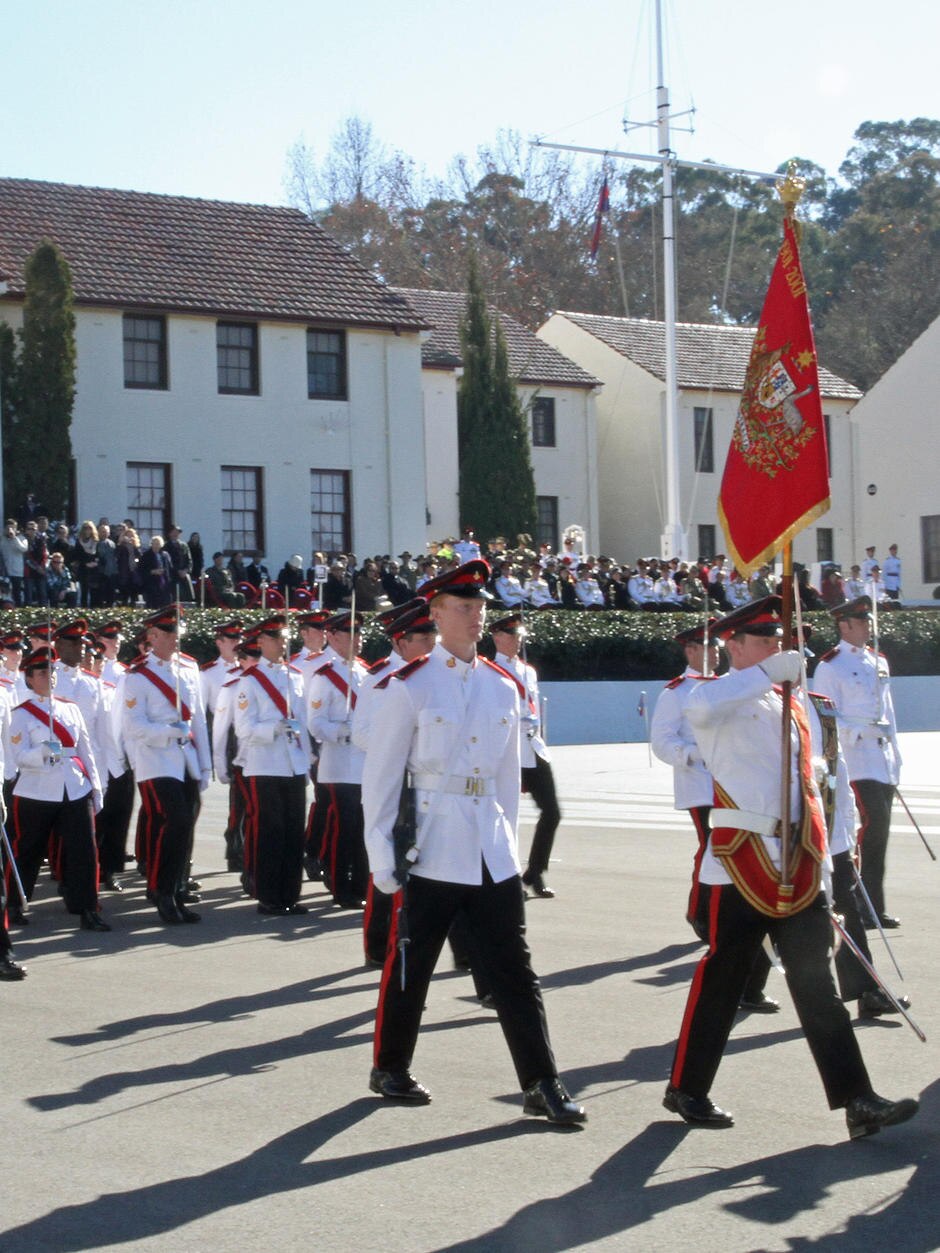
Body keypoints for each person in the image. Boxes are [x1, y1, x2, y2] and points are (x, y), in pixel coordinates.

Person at [663, 596, 918, 1140]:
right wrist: (764, 676)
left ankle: (856, 1098)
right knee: (723, 978)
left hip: (798, 859)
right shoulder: (714, 697)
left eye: (778, 640)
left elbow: (814, 782)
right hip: (740, 860)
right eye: (762, 640)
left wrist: (829, 857)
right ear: (733, 646)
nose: (776, 648)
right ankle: (687, 1086)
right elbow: (700, 713)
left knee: (815, 981)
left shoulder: (793, 704)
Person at [361, 560, 585, 1124]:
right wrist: (380, 854)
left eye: (479, 606)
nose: (475, 614)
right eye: (463, 607)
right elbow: (383, 778)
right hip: (432, 844)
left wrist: (508, 837)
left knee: (514, 969)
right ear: (434, 614)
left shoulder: (501, 684)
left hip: (489, 846)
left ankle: (541, 1082)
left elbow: (509, 776)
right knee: (412, 963)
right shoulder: (409, 686)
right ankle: (390, 1065)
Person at [650, 620, 776, 1011]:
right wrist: (690, 755)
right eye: (699, 648)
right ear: (688, 651)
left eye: (712, 647)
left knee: (731, 858)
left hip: (737, 787)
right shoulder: (678, 692)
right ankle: (703, 914)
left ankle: (719, 929)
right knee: (714, 850)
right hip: (701, 785)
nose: (708, 654)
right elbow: (662, 741)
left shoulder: (731, 687)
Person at [812, 596, 902, 928]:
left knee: (880, 834)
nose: (867, 627)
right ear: (844, 625)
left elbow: (888, 713)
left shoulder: (878, 661)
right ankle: (858, 902)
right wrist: (858, 731)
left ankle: (873, 907)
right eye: (861, 622)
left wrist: (896, 759)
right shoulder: (829, 666)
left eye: (868, 621)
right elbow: (826, 716)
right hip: (854, 760)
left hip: (881, 760)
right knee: (868, 828)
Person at [6, 645, 109, 932]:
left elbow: (86, 750)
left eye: (51, 671)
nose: (48, 677)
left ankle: (88, 907)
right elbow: (18, 756)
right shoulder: (21, 714)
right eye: (41, 672)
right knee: (28, 851)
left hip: (74, 788)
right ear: (29, 678)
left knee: (84, 851)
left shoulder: (70, 709)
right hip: (36, 791)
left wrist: (95, 788)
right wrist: (40, 751)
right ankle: (14, 903)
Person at [120, 607, 211, 924]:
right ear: (153, 636)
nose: (175, 638)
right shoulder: (137, 676)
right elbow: (134, 726)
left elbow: (197, 719)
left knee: (184, 826)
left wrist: (206, 765)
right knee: (172, 821)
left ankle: (174, 888)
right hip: (155, 760)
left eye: (177, 632)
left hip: (185, 759)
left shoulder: (187, 669)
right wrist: (168, 732)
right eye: (168, 633)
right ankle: (161, 890)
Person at [234, 614, 311, 915]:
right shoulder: (250, 680)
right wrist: (272, 728)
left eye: (284, 637)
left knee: (294, 831)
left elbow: (302, 720)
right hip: (265, 763)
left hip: (293, 762)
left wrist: (307, 757)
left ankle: (290, 894)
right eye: (276, 638)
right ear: (261, 642)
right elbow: (243, 728)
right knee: (271, 832)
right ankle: (268, 896)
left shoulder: (295, 675)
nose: (282, 643)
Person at [489, 611, 561, 899]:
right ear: (496, 637)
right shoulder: (490, 671)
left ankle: (534, 872)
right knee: (505, 815)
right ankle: (504, 876)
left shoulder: (528, 670)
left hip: (532, 747)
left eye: (518, 636)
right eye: (510, 635)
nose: (516, 641)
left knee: (552, 812)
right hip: (507, 750)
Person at [306, 610, 369, 907]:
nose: (358, 639)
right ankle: (338, 884)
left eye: (359, 633)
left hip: (364, 765)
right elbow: (315, 724)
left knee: (360, 830)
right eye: (350, 633)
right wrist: (346, 732)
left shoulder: (364, 672)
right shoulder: (325, 675)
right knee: (342, 831)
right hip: (339, 764)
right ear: (331, 636)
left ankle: (359, 885)